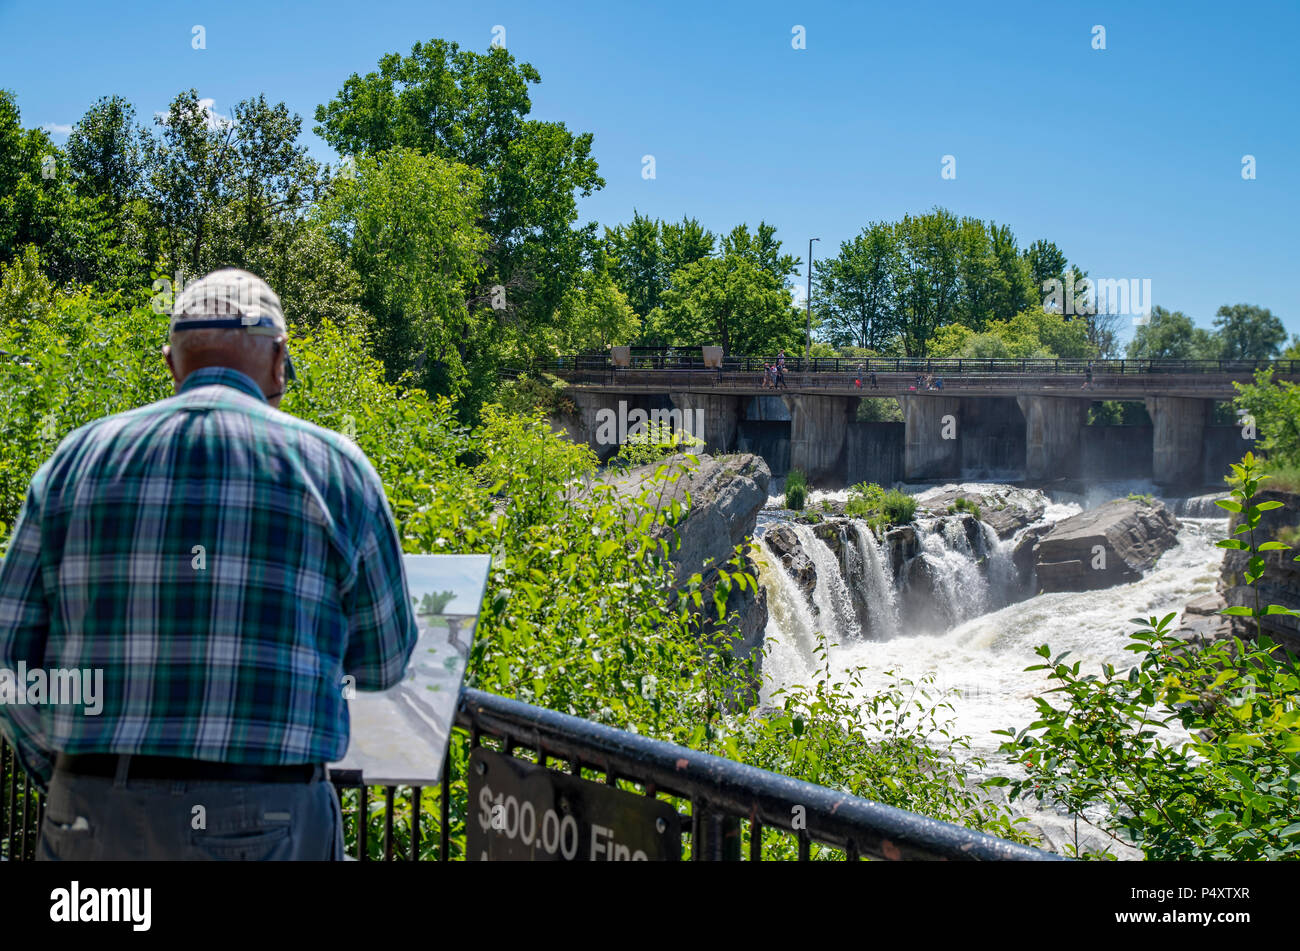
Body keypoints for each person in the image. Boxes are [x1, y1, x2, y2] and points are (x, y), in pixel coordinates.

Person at [0, 269, 419, 861]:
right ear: (279, 359)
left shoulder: (75, 460)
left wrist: (69, 770)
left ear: (172, 361)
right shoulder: (336, 469)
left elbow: (9, 655)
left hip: (93, 816)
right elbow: (384, 660)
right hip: (267, 817)